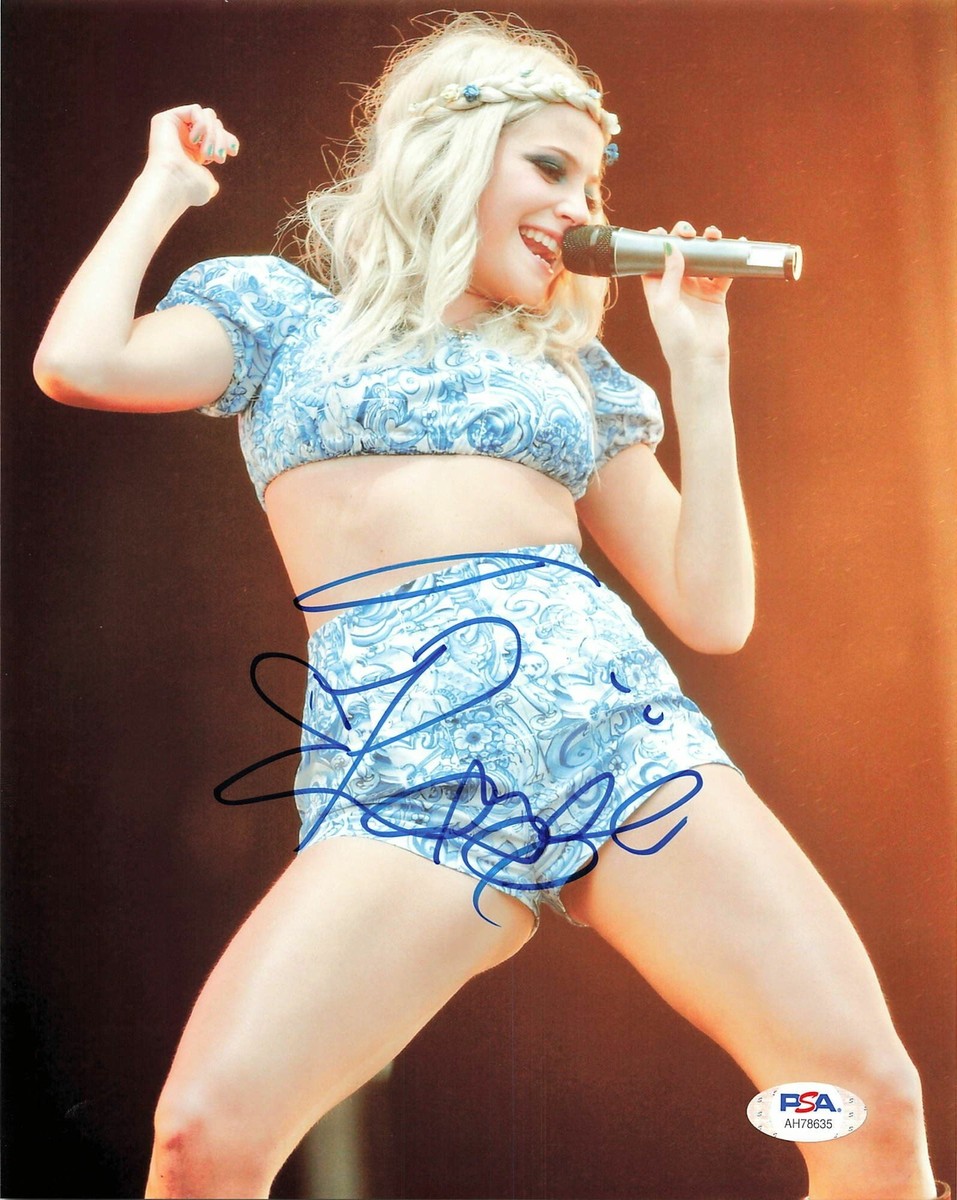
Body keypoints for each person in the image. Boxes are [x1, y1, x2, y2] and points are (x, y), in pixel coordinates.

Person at [33, 13, 948, 1200]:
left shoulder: (568, 371)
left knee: (865, 1103)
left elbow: (713, 611)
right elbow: (79, 363)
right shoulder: (277, 319)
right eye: (550, 167)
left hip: (619, 750)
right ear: (450, 156)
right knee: (203, 1140)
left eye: (593, 182)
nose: (579, 205)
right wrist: (164, 188)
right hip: (408, 780)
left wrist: (701, 363)